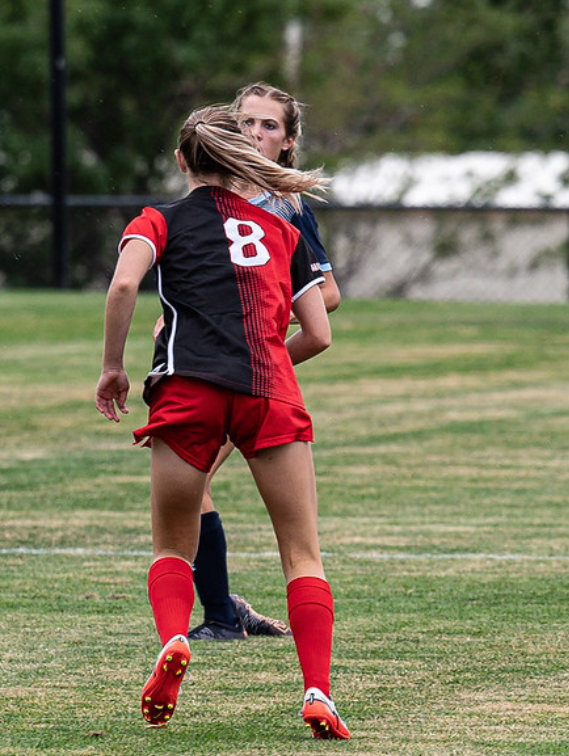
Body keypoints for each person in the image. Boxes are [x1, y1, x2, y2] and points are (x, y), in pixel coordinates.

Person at [95, 105, 351, 737]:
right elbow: (319, 329)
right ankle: (318, 691)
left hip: (189, 391)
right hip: (268, 390)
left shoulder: (159, 219)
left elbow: (124, 287)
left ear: (182, 161)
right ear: (240, 159)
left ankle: (175, 638)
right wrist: (262, 356)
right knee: (302, 554)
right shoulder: (280, 228)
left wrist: (113, 369)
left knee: (170, 545)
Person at [185, 82, 341, 642]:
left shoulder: (284, 205)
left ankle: (225, 616)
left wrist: (262, 334)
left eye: (269, 125)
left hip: (250, 375)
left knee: (193, 483)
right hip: (208, 369)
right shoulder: (208, 197)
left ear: (289, 142)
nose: (254, 133)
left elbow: (326, 298)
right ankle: (225, 611)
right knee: (191, 484)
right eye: (245, 122)